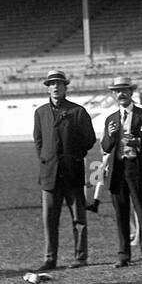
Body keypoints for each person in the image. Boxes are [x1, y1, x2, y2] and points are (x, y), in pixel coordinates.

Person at [32, 70, 96, 271]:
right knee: (49, 219)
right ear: (48, 88)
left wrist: (74, 155)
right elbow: (39, 140)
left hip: (72, 173)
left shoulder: (78, 111)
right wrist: (46, 159)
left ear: (65, 87)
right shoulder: (41, 112)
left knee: (79, 218)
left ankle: (80, 257)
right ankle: (50, 258)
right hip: (49, 175)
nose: (55, 87)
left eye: (59, 84)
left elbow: (89, 138)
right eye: (52, 84)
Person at [100, 78, 142, 269]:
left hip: (137, 168)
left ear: (131, 93)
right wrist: (109, 135)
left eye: (124, 90)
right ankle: (124, 255)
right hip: (117, 171)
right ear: (113, 95)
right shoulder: (111, 119)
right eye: (117, 91)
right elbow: (106, 147)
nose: (121, 94)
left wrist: (139, 142)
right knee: (121, 215)